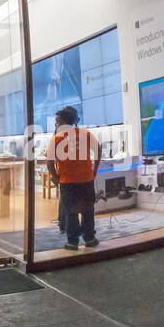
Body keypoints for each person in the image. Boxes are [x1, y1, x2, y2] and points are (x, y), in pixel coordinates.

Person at [47, 106, 101, 250]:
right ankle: (89, 239)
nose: (56, 125)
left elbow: (49, 162)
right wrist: (94, 170)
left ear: (64, 122)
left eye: (57, 122)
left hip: (67, 181)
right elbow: (98, 149)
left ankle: (72, 242)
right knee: (88, 209)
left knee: (71, 211)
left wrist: (55, 176)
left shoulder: (56, 138)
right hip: (86, 180)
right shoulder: (85, 133)